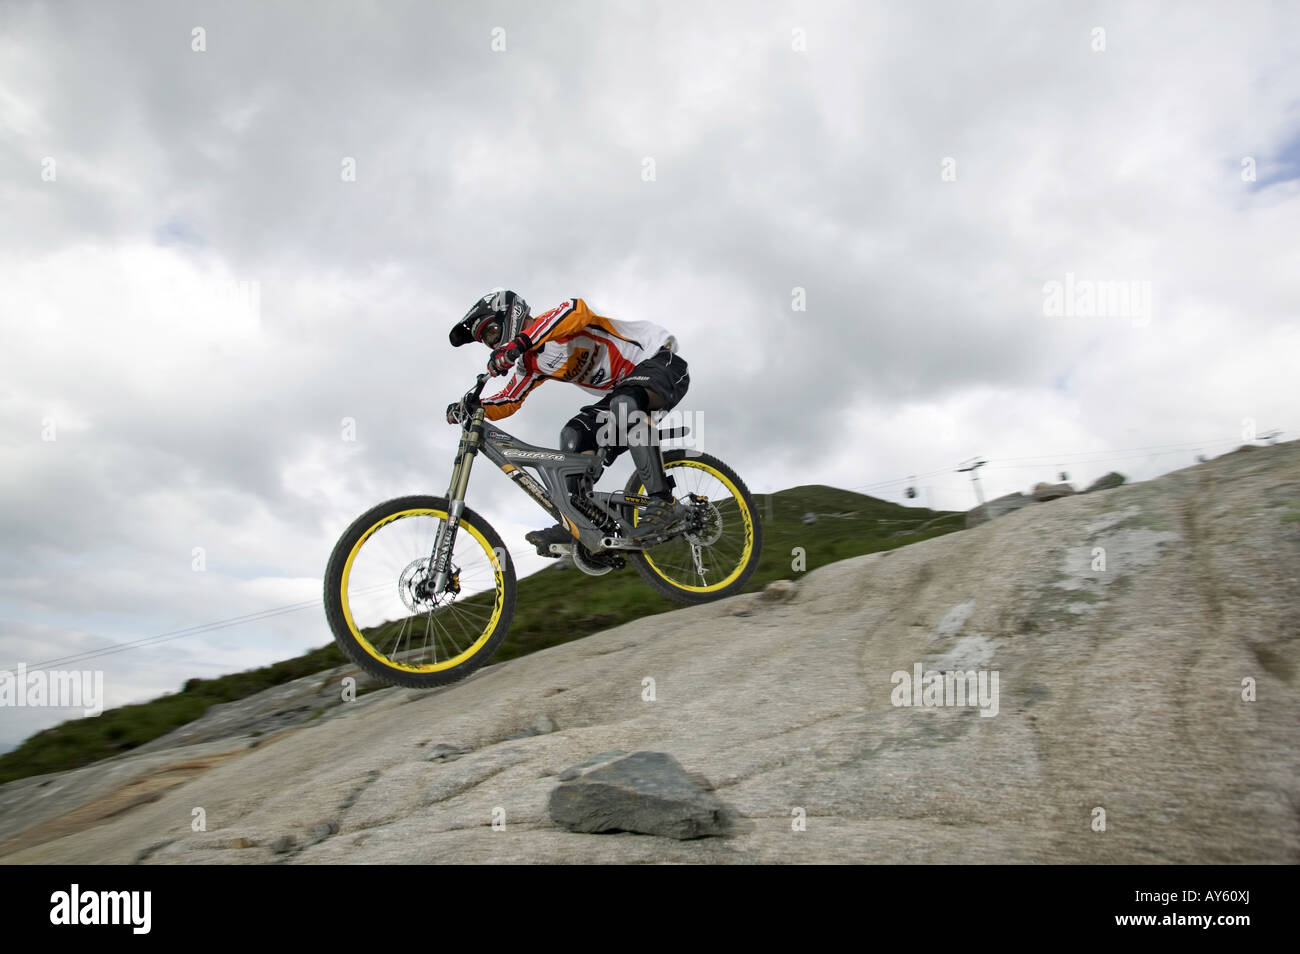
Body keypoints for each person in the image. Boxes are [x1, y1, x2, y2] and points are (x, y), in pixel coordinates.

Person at [447, 290, 690, 554]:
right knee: (574, 435)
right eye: (486, 341)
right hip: (624, 391)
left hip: (659, 362)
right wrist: (469, 408)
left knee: (624, 404)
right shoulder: (532, 364)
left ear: (510, 315)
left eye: (491, 332)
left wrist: (518, 343)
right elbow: (509, 400)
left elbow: (577, 310)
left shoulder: (556, 321)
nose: (492, 343)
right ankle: (583, 524)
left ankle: (662, 501)